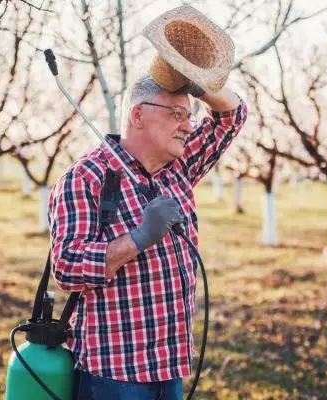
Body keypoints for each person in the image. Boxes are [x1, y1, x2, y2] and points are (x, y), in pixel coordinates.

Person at [48, 74, 247, 399]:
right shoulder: (86, 178)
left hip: (170, 365)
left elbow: (231, 116)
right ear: (138, 115)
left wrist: (194, 80)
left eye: (189, 115)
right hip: (113, 372)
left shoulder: (179, 166)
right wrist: (138, 238)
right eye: (176, 114)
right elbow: (67, 267)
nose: (186, 125)